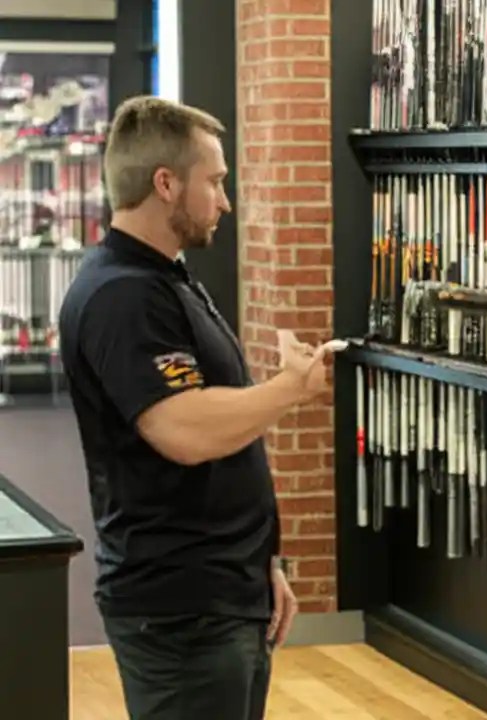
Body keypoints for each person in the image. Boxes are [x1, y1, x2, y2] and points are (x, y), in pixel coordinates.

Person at [58, 96, 335, 720]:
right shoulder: (123, 297)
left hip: (221, 593)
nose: (225, 201)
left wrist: (266, 562)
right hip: (180, 608)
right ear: (166, 183)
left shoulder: (165, 280)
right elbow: (182, 428)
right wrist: (292, 388)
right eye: (214, 182)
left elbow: (215, 431)